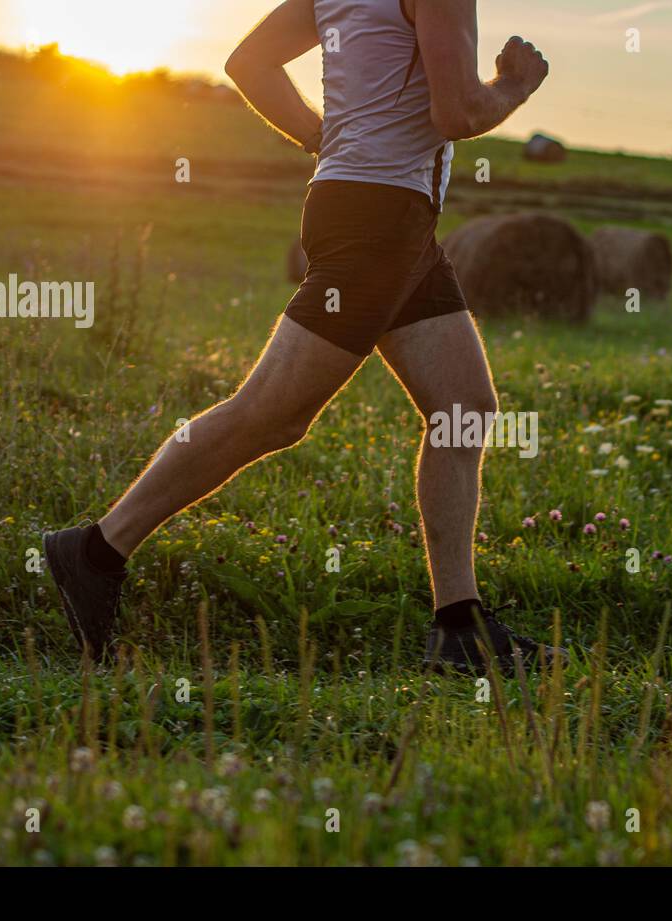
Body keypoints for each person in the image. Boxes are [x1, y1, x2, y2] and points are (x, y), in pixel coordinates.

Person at [43, 0, 560, 674]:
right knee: (274, 413)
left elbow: (247, 63)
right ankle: (95, 551)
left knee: (462, 409)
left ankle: (458, 626)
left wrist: (327, 141)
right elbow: (458, 113)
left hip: (374, 212)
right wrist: (515, 84)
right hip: (379, 221)